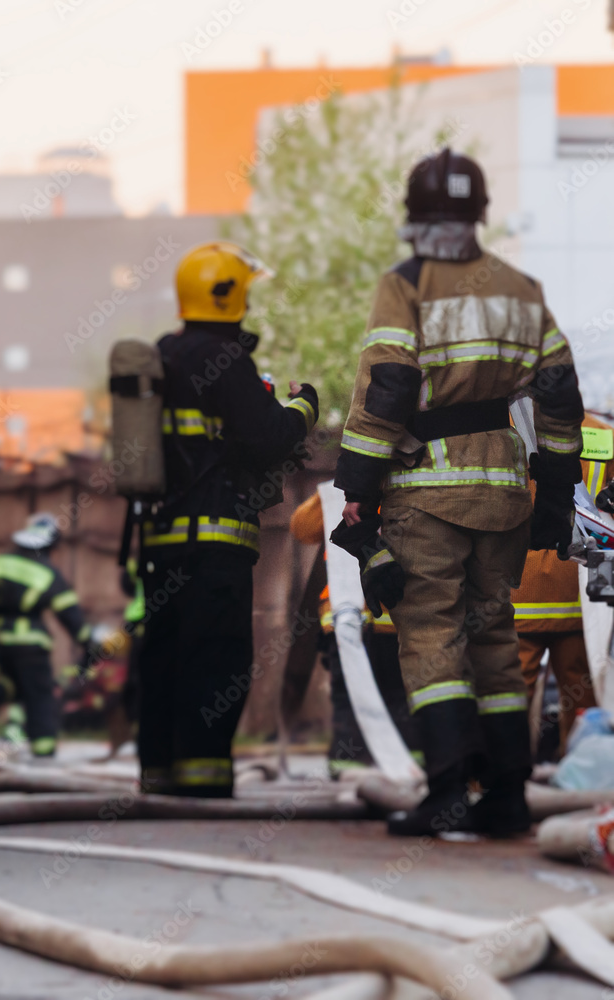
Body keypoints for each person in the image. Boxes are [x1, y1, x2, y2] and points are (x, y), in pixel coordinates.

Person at [332, 148, 584, 837]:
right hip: (502, 489)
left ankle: (445, 791)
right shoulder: (519, 287)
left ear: (413, 219)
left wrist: (354, 484)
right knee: (493, 637)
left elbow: (388, 388)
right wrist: (556, 496)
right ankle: (505, 799)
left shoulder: (405, 284)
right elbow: (559, 393)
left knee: (431, 637)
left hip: (425, 489)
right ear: (478, 214)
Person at [137, 241, 319, 797]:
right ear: (231, 296)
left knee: (165, 652)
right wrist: (303, 407)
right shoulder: (225, 360)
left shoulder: (163, 354)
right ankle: (204, 776)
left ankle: (160, 770)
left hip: (162, 542)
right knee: (215, 656)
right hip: (215, 545)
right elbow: (267, 438)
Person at [289, 492, 419, 778]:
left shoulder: (400, 490)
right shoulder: (343, 494)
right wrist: (333, 492)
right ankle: (356, 765)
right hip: (352, 618)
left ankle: (402, 764)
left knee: (395, 693)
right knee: (357, 694)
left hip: (385, 615)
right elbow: (302, 528)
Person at [514, 414, 614, 755]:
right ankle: (582, 781)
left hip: (518, 589)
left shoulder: (504, 422)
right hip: (588, 587)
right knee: (587, 701)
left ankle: (495, 788)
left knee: (507, 700)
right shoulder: (603, 433)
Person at [0, 512, 91, 759]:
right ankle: (43, 751)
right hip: (30, 645)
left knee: (13, 691)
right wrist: (88, 643)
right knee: (39, 696)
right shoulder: (48, 573)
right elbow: (70, 615)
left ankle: (12, 738)